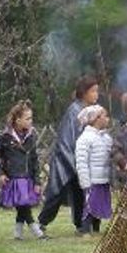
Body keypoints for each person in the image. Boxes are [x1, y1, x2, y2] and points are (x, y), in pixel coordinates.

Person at [39, 76, 100, 236]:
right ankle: (42, 222)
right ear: (84, 93)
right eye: (93, 91)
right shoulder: (74, 111)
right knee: (57, 192)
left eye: (97, 91)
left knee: (81, 193)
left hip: (81, 159)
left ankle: (81, 224)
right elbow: (67, 138)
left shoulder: (91, 111)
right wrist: (74, 162)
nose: (96, 94)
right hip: (66, 158)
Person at [0, 100, 45, 241]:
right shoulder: (5, 138)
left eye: (31, 118)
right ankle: (36, 230)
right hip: (13, 177)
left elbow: (34, 161)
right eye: (28, 118)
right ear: (18, 120)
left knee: (23, 204)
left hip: (27, 177)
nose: (31, 121)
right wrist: (0, 173)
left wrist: (37, 181)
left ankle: (18, 233)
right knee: (22, 204)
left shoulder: (31, 137)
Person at [74, 104, 115, 234]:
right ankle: (85, 230)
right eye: (105, 116)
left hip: (103, 179)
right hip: (92, 180)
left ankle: (96, 229)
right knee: (90, 205)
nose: (108, 119)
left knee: (100, 204)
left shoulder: (106, 138)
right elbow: (81, 161)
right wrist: (85, 181)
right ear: (96, 119)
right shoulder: (85, 139)